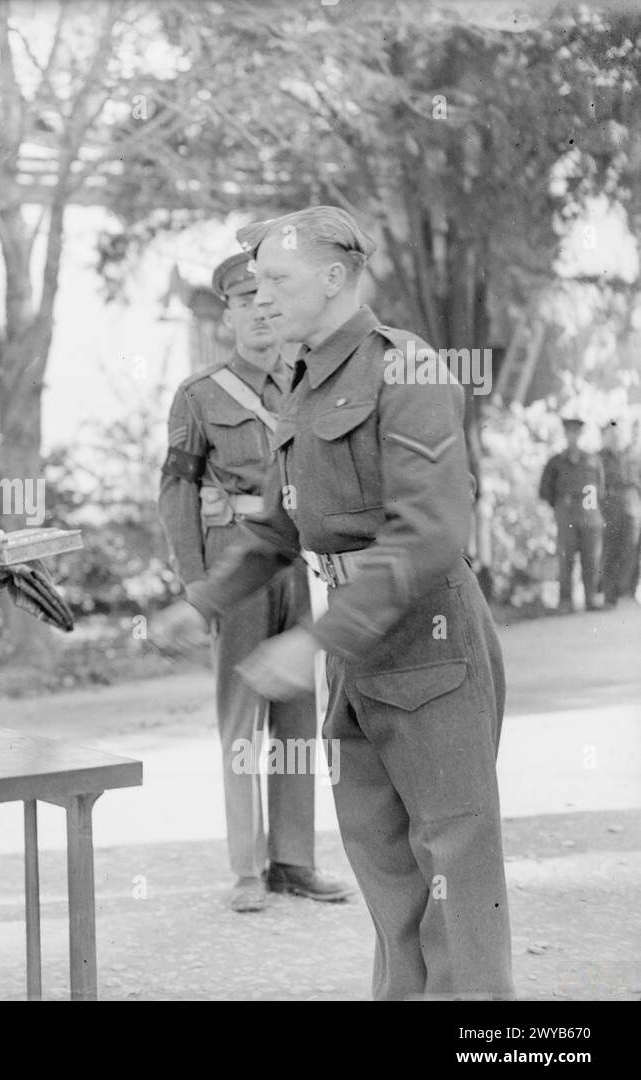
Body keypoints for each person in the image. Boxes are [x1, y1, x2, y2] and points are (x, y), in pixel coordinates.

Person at [178, 206, 513, 1000]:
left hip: (428, 642)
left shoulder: (408, 367)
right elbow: (277, 525)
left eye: (278, 280)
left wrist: (318, 638)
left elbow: (430, 529)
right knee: (386, 864)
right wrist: (205, 598)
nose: (260, 298)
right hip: (359, 650)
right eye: (254, 283)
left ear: (334, 279)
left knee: (452, 863)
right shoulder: (302, 376)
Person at [152, 252, 353, 912]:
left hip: (292, 562)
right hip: (230, 564)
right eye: (247, 304)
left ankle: (294, 858)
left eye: (271, 303)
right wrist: (193, 582)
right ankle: (247, 865)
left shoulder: (303, 387)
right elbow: (177, 491)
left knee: (297, 710)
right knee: (241, 718)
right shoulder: (200, 395)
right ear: (227, 316)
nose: (262, 316)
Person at [538, 416, 606, 612]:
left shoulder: (592, 460)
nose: (573, 436)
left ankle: (591, 598)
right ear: (565, 434)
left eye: (576, 432)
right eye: (569, 432)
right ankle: (565, 601)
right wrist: (561, 508)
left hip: (590, 516)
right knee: (566, 559)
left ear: (580, 434)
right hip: (566, 515)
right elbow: (545, 491)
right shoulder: (556, 461)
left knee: (591, 558)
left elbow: (600, 490)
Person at [599, 419, 640, 608]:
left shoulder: (631, 456)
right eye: (611, 434)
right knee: (610, 551)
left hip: (631, 505)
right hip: (609, 506)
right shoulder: (598, 458)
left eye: (618, 434)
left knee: (631, 549)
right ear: (604, 436)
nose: (615, 437)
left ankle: (626, 593)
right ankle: (609, 595)